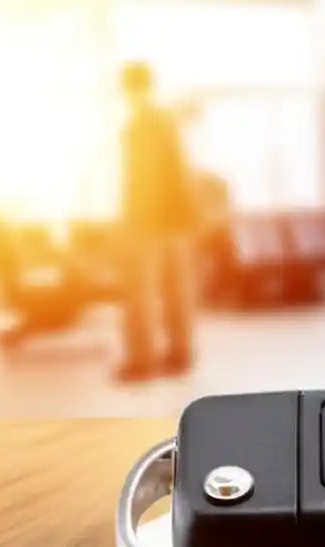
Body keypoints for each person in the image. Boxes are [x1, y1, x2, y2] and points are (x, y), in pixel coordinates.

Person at [117, 62, 198, 382]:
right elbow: (182, 172)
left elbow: (141, 178)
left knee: (140, 292)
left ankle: (142, 360)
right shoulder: (168, 121)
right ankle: (180, 354)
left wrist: (131, 220)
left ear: (129, 89)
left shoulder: (139, 125)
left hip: (148, 220)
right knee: (177, 291)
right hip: (177, 220)